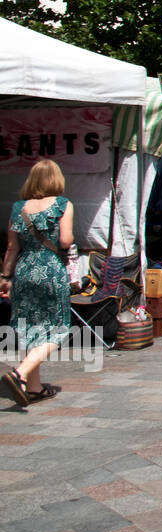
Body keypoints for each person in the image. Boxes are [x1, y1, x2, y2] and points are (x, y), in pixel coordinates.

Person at [2, 160, 76, 405]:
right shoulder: (63, 205)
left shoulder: (17, 208)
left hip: (23, 270)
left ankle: (33, 388)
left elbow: (11, 247)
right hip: (50, 270)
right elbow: (65, 241)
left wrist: (4, 277)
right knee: (58, 327)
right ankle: (20, 373)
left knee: (28, 328)